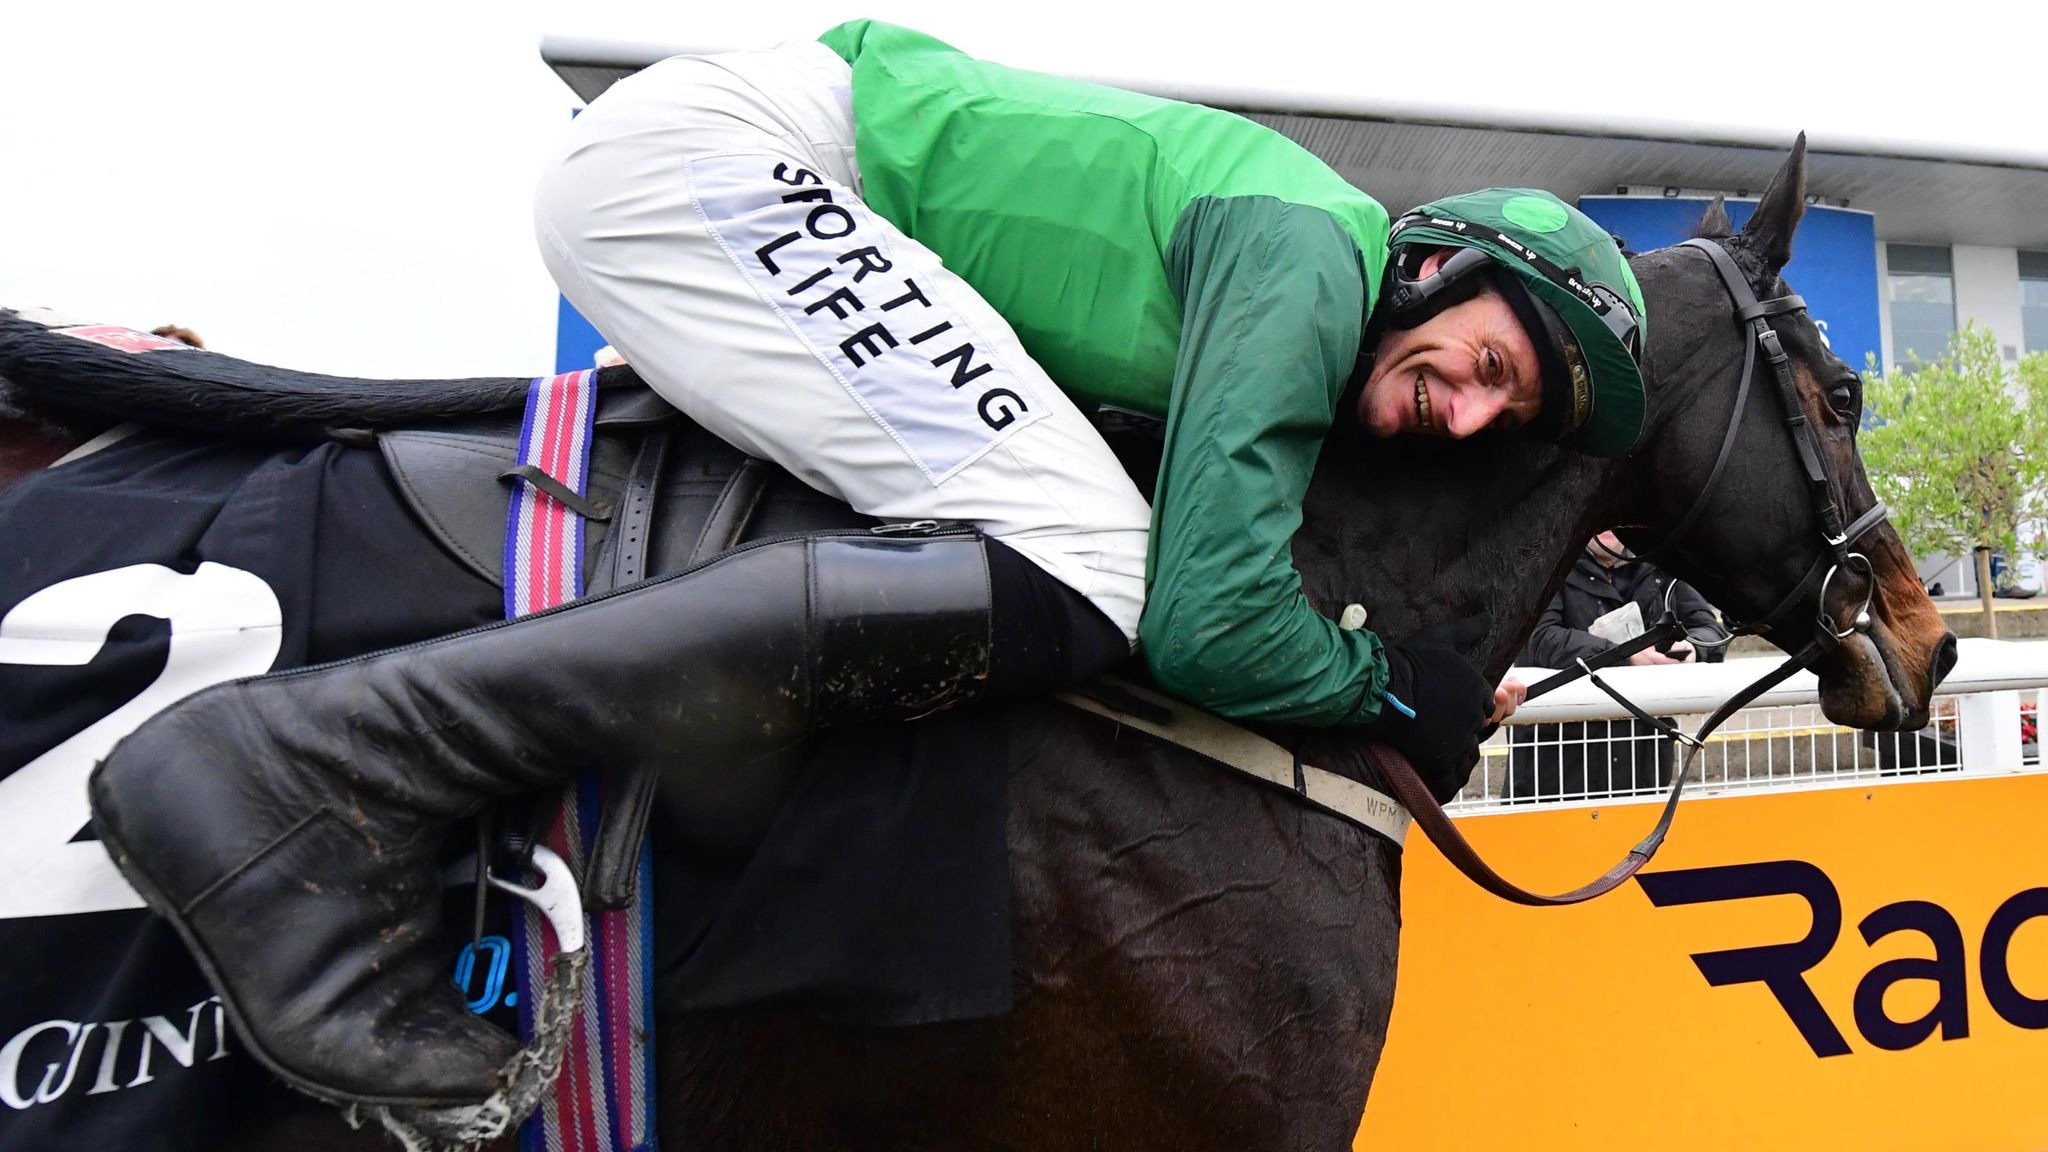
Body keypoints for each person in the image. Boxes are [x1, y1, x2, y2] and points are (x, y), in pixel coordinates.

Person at [86, 21, 1650, 1115]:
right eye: (1488, 361)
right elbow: (1204, 616)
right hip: (731, 157)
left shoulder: (1298, 277)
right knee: (1090, 558)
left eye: (1504, 415)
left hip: (747, 167)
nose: (1468, 413)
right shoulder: (1313, 253)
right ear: (1437, 267)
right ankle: (305, 763)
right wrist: (1387, 688)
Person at [1508, 530, 1725, 801]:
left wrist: (1692, 649)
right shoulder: (1546, 563)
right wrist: (1627, 656)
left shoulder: (1661, 566)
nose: (1608, 525)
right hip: (1556, 765)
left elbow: (1709, 631)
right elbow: (1538, 640)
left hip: (1642, 759)